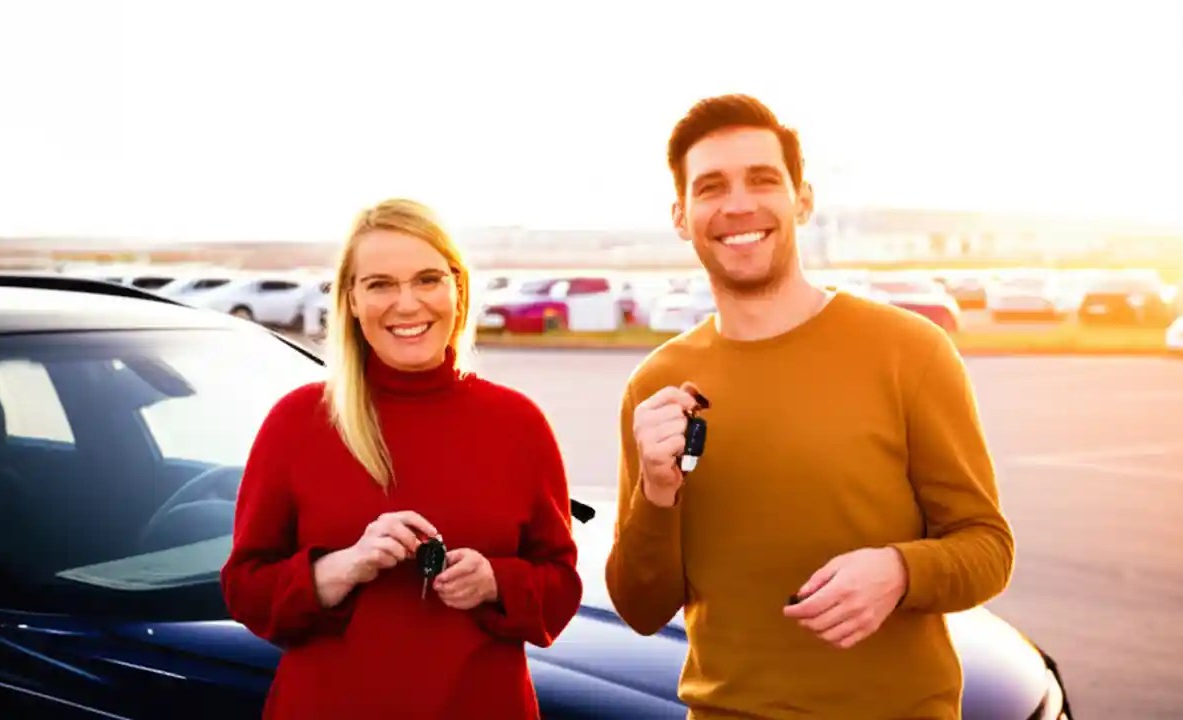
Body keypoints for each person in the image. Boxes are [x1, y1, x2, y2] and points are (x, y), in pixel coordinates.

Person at [604, 95, 1015, 719]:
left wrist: (901, 570)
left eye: (763, 180)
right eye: (711, 187)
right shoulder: (656, 385)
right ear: (682, 216)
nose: (739, 204)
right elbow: (640, 609)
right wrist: (657, 495)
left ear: (802, 198)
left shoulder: (908, 350)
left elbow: (987, 548)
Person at [221, 198, 583, 719]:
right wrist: (341, 568)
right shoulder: (297, 422)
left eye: (427, 279)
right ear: (350, 298)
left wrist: (496, 581)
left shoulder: (518, 423)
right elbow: (244, 589)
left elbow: (561, 585)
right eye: (381, 284)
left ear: (458, 289)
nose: (407, 304)